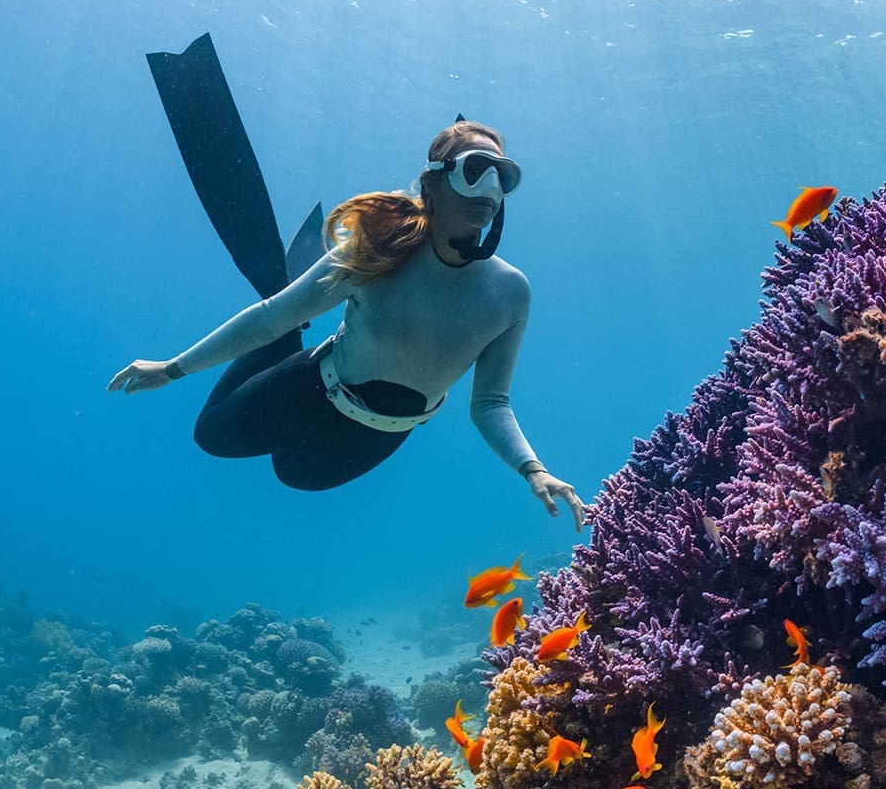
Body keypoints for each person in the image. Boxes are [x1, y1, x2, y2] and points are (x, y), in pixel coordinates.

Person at [107, 118, 585, 525]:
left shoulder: (510, 293)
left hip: (385, 434)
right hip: (312, 390)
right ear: (434, 183)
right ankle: (296, 323)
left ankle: (295, 330)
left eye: (504, 177)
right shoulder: (375, 250)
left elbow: (490, 403)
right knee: (210, 435)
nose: (490, 189)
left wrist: (533, 468)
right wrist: (170, 369)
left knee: (294, 476)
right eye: (476, 170)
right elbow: (268, 318)